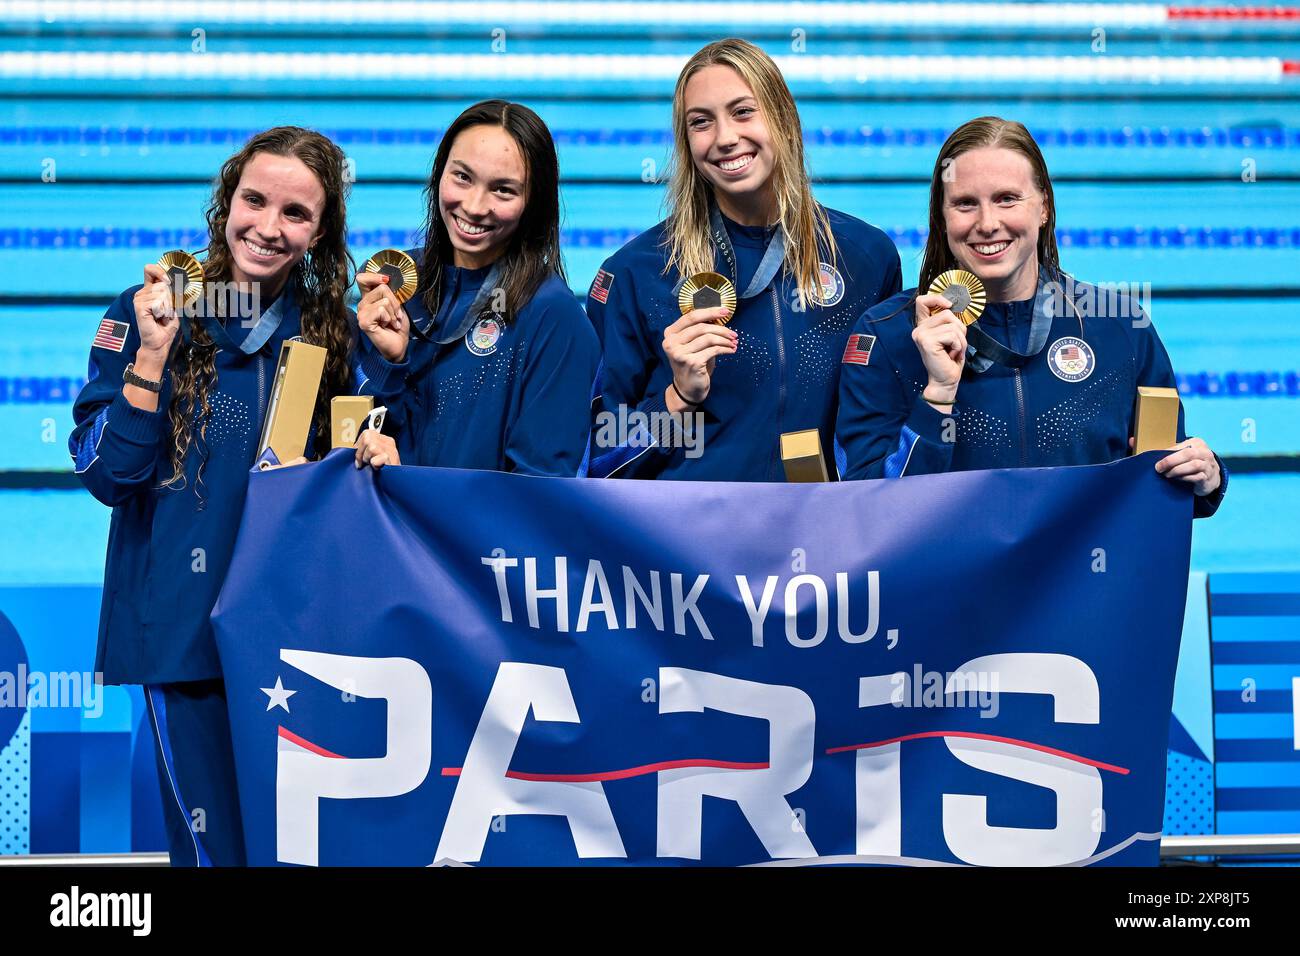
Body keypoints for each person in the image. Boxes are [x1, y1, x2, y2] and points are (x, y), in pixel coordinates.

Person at [69, 127, 404, 865]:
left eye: (296, 214)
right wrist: (154, 354)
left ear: (321, 233)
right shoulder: (147, 311)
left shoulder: (332, 335)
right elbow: (107, 475)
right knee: (212, 853)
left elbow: (360, 486)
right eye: (254, 200)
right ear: (226, 204)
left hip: (291, 638)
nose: (268, 227)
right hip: (182, 641)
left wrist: (387, 406)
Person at [836, 116, 1226, 516]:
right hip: (951, 580)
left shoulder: (1120, 327)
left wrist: (1207, 478)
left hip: (1080, 578)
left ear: (1043, 207)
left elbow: (1161, 476)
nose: (988, 224)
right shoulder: (887, 336)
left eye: (1007, 198)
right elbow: (864, 512)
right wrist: (937, 396)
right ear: (942, 217)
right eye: (965, 203)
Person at [586, 38, 901, 480]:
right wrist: (678, 398)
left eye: (743, 112)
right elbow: (597, 457)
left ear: (783, 117)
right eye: (701, 122)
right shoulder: (635, 273)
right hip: (687, 540)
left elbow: (880, 427)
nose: (726, 138)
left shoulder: (865, 257)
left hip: (817, 533)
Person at [352, 100, 599, 475]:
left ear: (533, 203)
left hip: (470, 536)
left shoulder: (554, 319)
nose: (474, 205)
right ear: (439, 174)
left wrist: (411, 486)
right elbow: (359, 447)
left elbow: (538, 494)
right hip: (383, 530)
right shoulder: (400, 286)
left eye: (503, 190)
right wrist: (390, 364)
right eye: (462, 177)